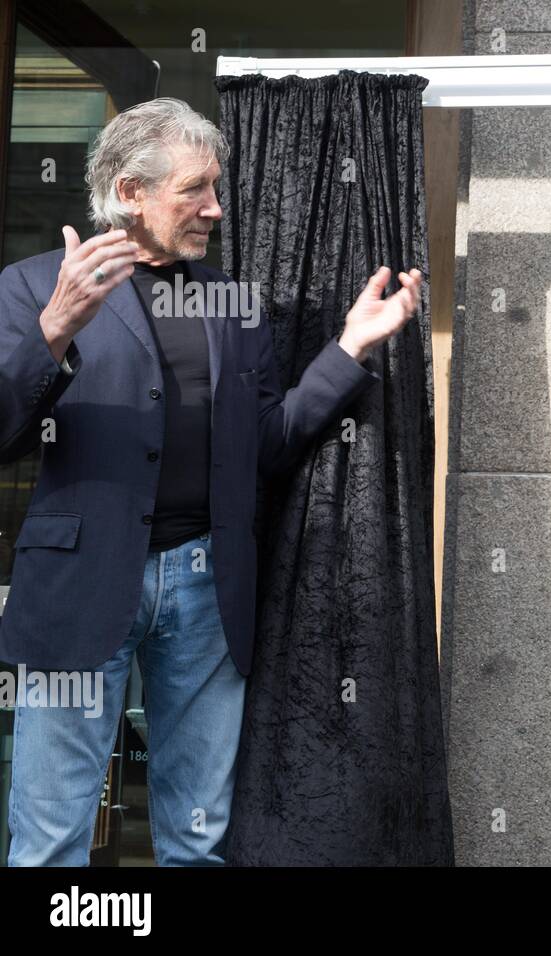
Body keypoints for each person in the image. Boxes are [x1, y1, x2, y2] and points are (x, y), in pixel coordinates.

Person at [0, 97, 421, 865]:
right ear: (130, 192)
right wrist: (54, 330)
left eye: (215, 187)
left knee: (198, 842)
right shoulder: (33, 288)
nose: (216, 208)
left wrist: (348, 349)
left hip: (204, 588)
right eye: (194, 188)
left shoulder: (230, 305)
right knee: (50, 842)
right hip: (78, 587)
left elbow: (268, 445)